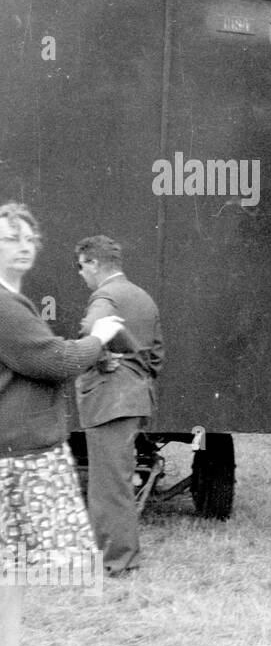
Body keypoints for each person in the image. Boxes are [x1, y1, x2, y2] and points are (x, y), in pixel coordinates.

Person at [0, 203, 125, 646]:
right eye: (10, 237)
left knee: (10, 572)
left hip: (15, 455)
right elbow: (54, 360)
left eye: (30, 237)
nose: (24, 244)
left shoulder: (11, 300)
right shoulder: (4, 305)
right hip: (13, 459)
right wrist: (99, 338)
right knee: (10, 572)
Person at [75, 235, 164, 577]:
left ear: (95, 264)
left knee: (108, 485)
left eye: (81, 267)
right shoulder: (142, 296)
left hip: (110, 400)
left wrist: (100, 357)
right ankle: (116, 556)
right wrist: (133, 369)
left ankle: (116, 562)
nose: (81, 274)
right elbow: (156, 355)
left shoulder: (106, 296)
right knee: (116, 480)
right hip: (134, 397)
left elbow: (88, 329)